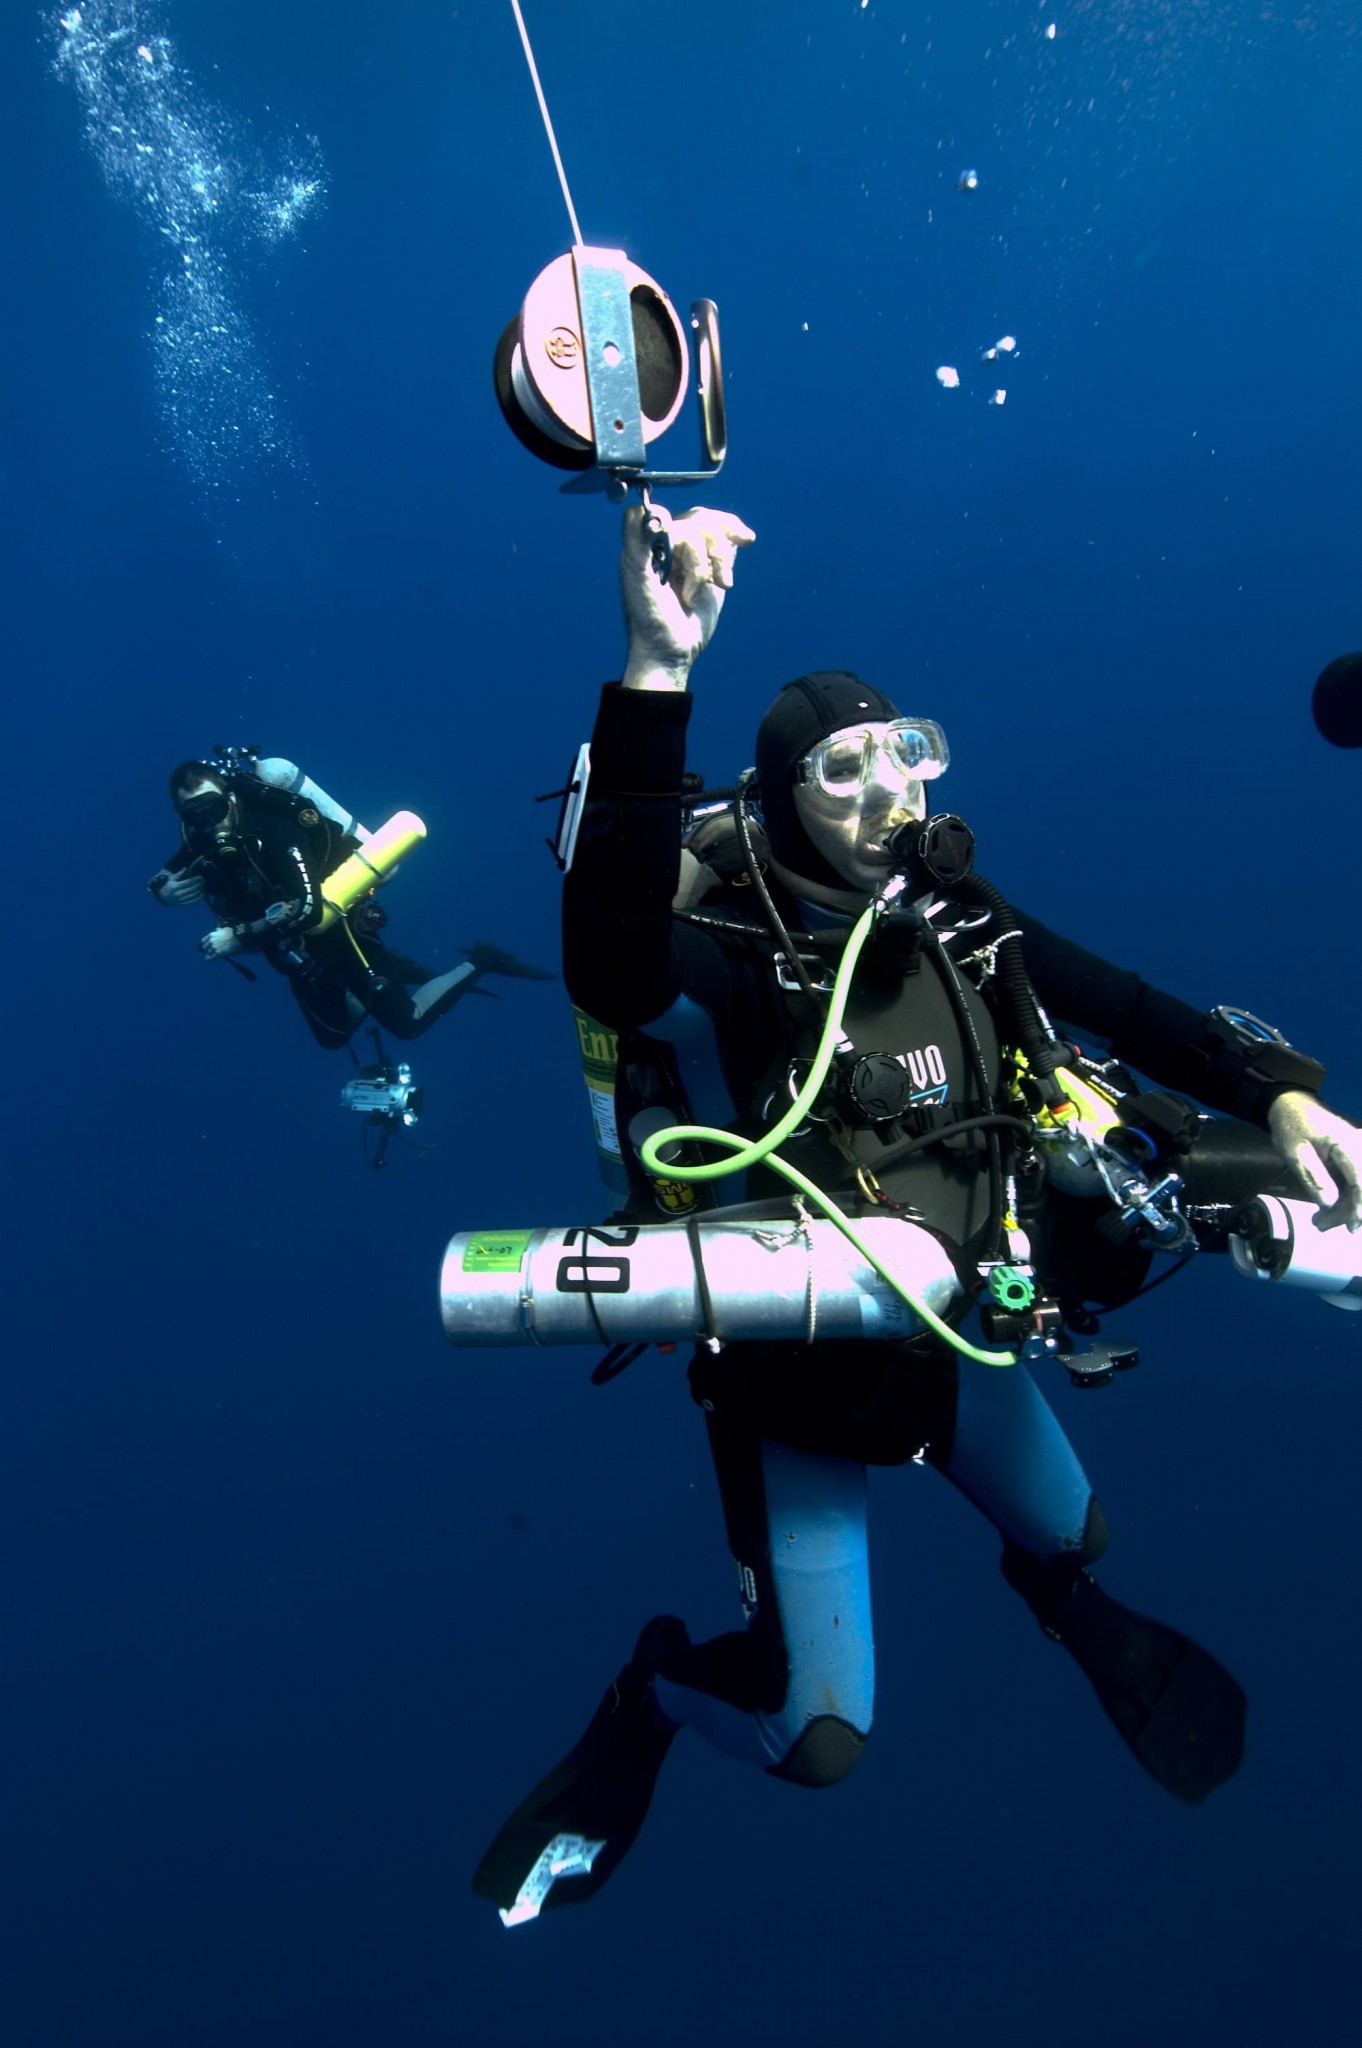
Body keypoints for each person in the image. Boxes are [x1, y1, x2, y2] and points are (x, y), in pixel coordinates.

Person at [472, 506, 1362, 1928]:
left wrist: (1283, 1096)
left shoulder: (960, 916)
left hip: (962, 1326)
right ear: (777, 802)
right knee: (814, 1741)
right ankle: (651, 1693)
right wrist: (653, 664)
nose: (888, 786)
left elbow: (1121, 1004)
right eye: (843, 767)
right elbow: (614, 955)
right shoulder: (748, 961)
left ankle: (1060, 1606)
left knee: (1082, 1548)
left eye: (908, 749)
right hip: (804, 1380)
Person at [149, 752, 552, 1050]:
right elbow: (171, 870)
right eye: (196, 815)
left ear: (231, 797)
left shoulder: (273, 829)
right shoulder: (201, 837)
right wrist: (161, 891)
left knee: (406, 1024)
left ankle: (482, 959)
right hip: (296, 953)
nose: (210, 823)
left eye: (215, 808)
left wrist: (240, 936)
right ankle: (391, 972)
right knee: (332, 1037)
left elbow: (307, 907)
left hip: (339, 927)